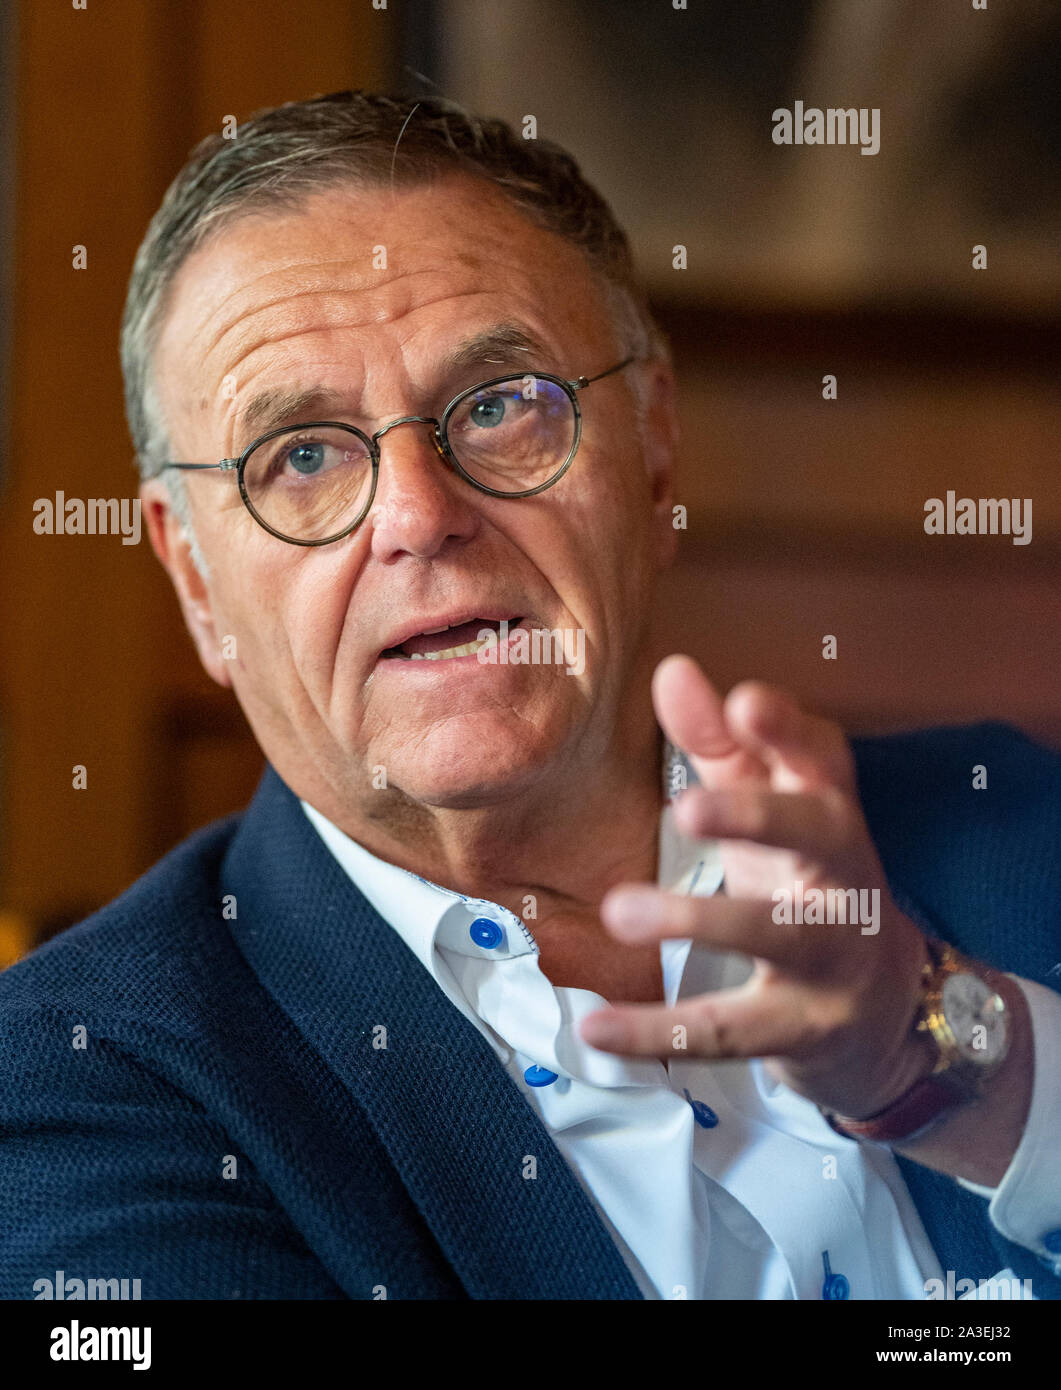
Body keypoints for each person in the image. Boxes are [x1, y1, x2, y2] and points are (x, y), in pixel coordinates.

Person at [2, 91, 1059, 1301]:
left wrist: (950, 1063)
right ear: (194, 575)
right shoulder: (77, 1086)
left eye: (500, 405)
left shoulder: (1022, 826)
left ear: (654, 449)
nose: (415, 516)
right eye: (298, 454)